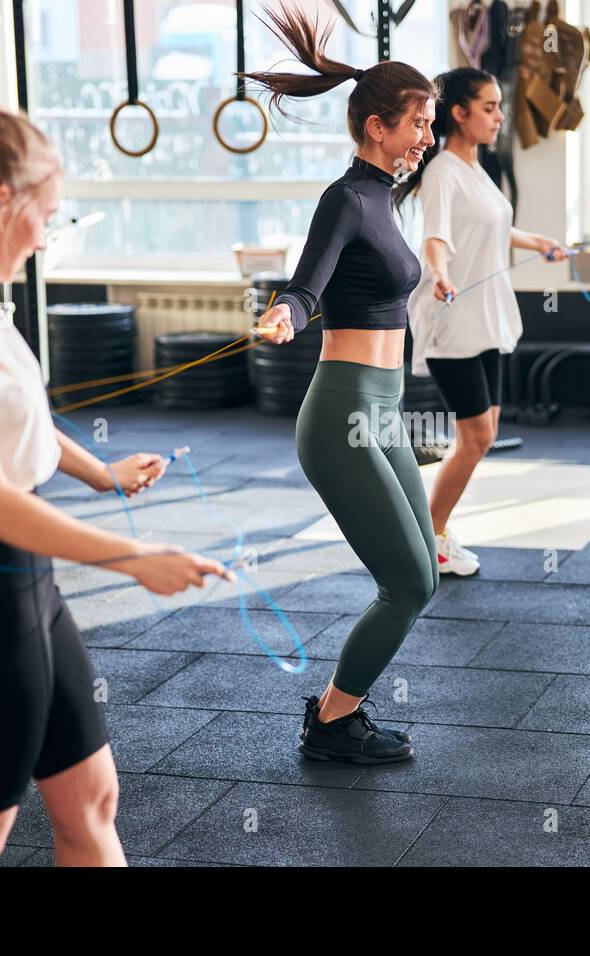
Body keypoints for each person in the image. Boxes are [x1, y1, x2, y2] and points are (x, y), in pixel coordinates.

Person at [0, 96, 233, 865]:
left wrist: (103, 474)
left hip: (30, 592)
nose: (46, 238)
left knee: (91, 800)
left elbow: (17, 418)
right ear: (0, 203)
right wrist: (132, 560)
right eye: (45, 217)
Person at [244, 3, 439, 764]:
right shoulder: (348, 199)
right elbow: (306, 283)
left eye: (428, 125)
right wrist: (287, 315)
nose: (426, 137)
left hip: (383, 411)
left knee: (423, 566)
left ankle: (334, 715)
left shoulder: (387, 198)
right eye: (418, 124)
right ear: (376, 126)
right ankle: (332, 723)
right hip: (342, 413)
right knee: (409, 584)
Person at [394, 67, 567, 576]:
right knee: (474, 438)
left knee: (484, 433)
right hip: (452, 319)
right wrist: (441, 273)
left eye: (498, 107)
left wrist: (541, 243)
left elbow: (494, 226)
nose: (499, 117)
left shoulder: (474, 168)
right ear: (459, 113)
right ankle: (431, 540)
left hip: (485, 319)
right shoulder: (445, 170)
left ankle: (432, 534)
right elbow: (436, 236)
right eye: (489, 108)